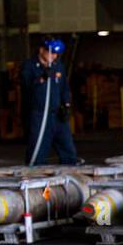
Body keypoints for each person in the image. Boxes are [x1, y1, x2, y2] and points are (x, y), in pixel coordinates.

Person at [20, 37, 78, 166]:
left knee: (68, 148)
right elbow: (27, 86)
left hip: (57, 114)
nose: (54, 56)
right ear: (41, 50)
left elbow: (64, 88)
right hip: (40, 115)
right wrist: (43, 77)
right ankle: (34, 178)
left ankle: (70, 176)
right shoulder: (30, 66)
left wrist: (67, 104)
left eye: (56, 54)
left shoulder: (58, 67)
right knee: (38, 149)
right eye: (51, 52)